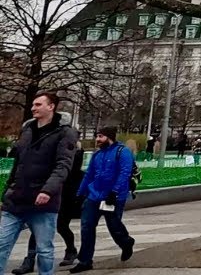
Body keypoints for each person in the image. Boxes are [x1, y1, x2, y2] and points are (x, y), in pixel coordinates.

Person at [0, 93, 79, 275]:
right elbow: (18, 165)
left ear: (51, 106)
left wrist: (47, 191)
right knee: (2, 244)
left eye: (38, 105)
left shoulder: (65, 133)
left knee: (44, 250)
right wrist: (7, 191)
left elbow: (63, 165)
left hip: (43, 202)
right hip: (16, 200)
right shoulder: (27, 129)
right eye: (33, 104)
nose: (33, 108)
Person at [69, 126, 135, 273]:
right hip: (94, 196)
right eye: (97, 136)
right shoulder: (97, 155)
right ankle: (85, 260)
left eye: (100, 136)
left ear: (109, 137)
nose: (97, 139)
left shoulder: (122, 152)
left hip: (113, 197)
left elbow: (125, 173)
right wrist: (80, 193)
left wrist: (114, 191)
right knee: (86, 227)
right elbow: (89, 174)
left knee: (114, 226)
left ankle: (126, 242)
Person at [11, 145, 83, 274]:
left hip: (66, 198)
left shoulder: (73, 156)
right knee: (37, 229)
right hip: (49, 195)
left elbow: (70, 172)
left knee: (62, 226)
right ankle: (29, 260)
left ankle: (71, 250)